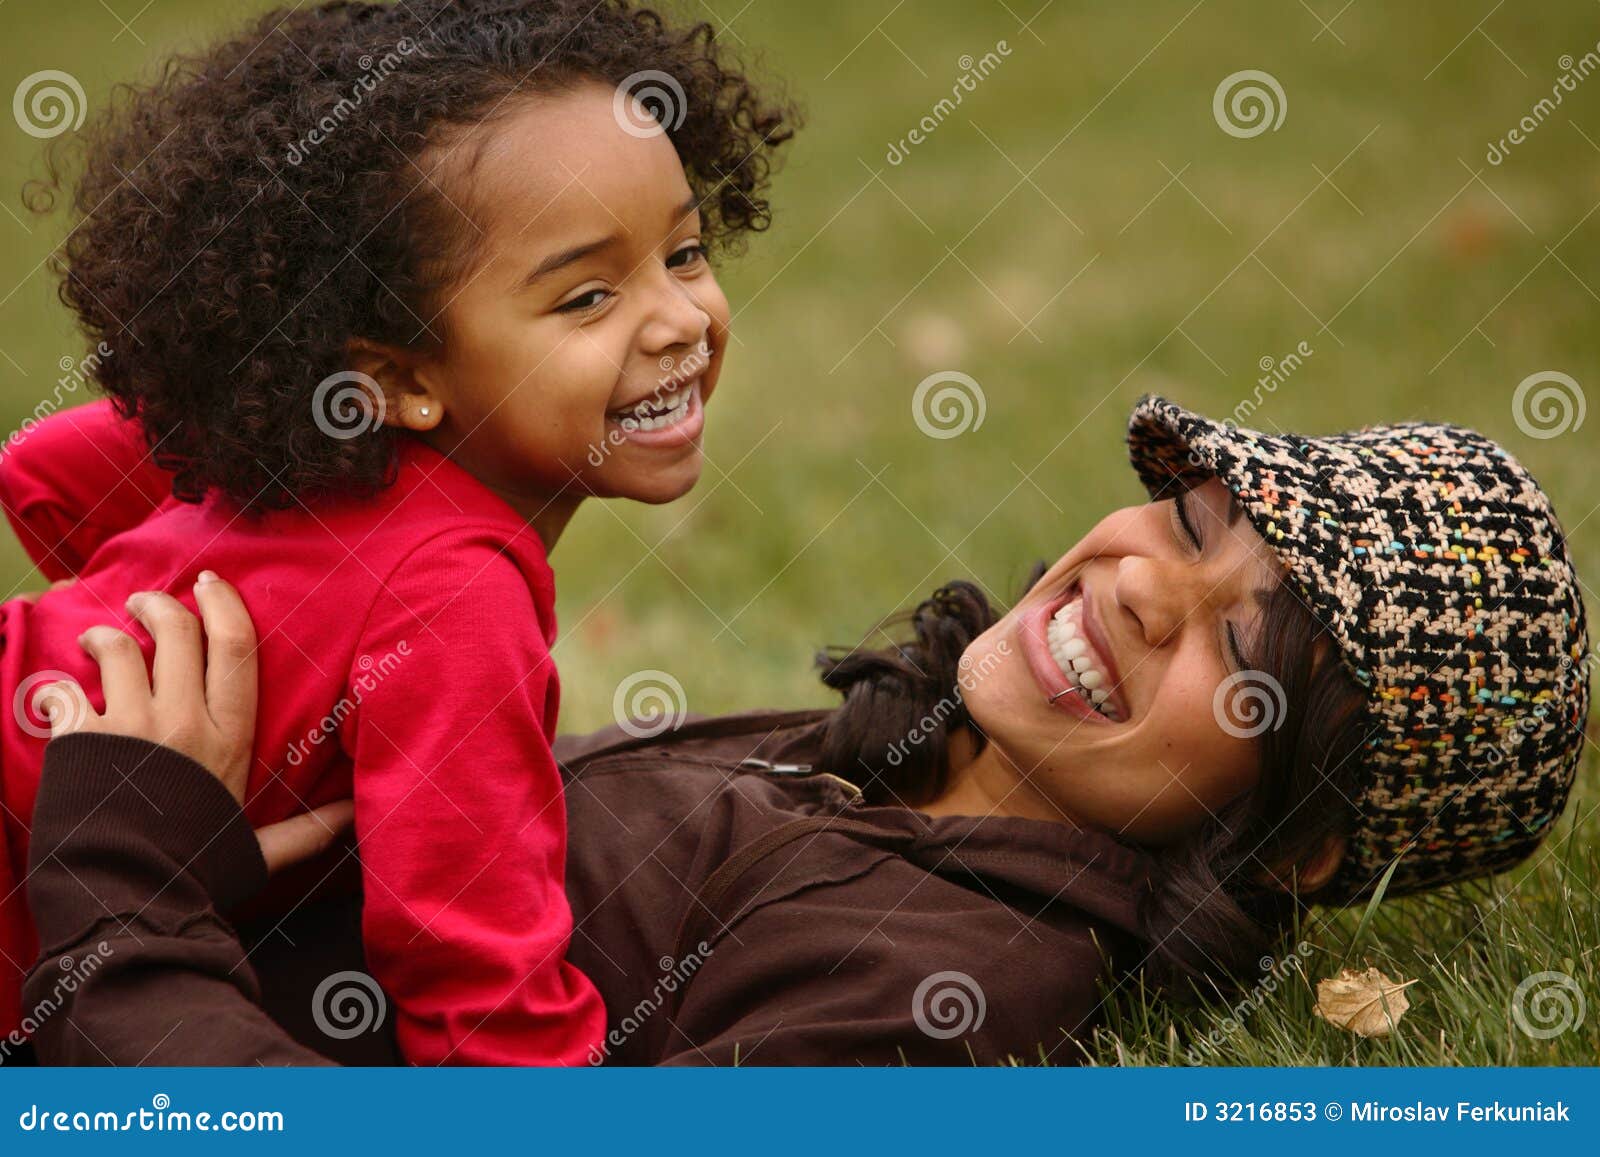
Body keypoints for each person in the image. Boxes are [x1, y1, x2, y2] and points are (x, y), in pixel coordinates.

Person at [19, 396, 1591, 1066]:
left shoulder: (953, 987)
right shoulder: (872, 763)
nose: (1141, 587)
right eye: (1190, 521)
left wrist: (124, 892)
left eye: (1244, 649)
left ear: (1303, 839)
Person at [0, 0, 792, 1063]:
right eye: (588, 297)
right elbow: (481, 995)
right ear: (398, 377)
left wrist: (162, 616)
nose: (683, 319)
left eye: (685, 252)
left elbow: (45, 470)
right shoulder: (453, 595)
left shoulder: (289, 447)